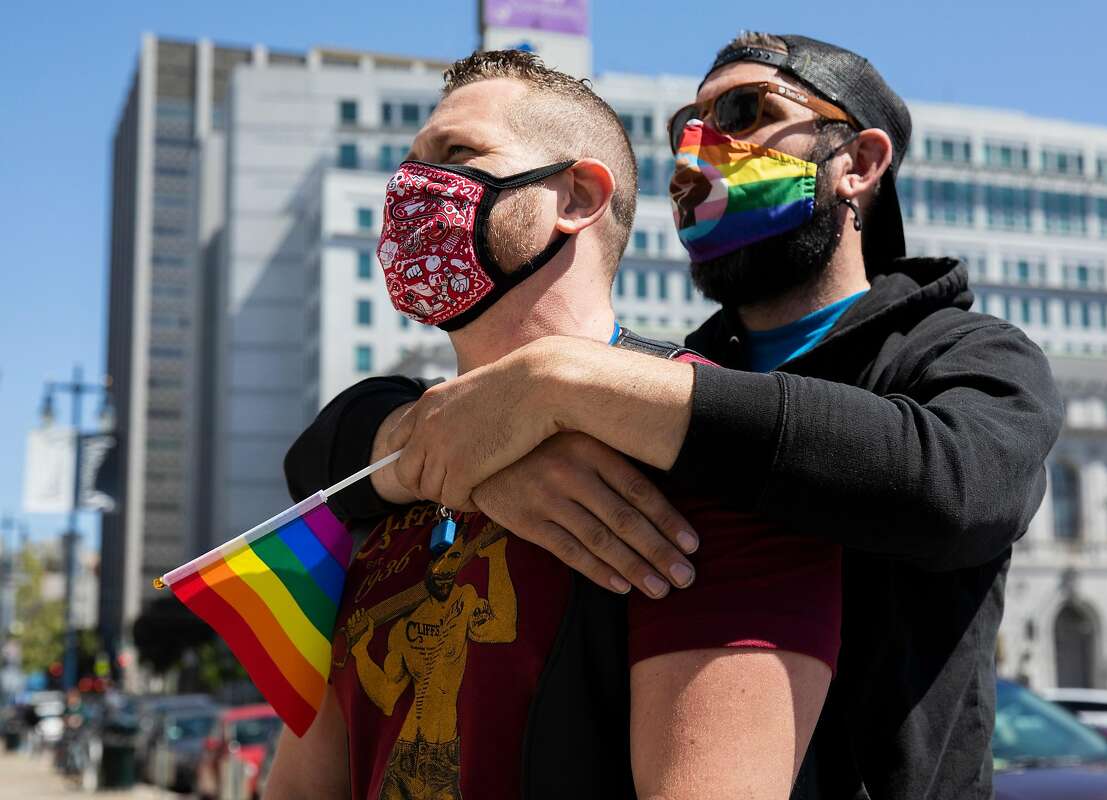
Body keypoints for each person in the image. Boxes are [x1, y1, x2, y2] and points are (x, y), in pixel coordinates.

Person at [292, 33, 1065, 799]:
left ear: (858, 164)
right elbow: (322, 463)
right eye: (680, 131)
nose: (697, 149)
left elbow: (950, 486)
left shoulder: (965, 354)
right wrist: (478, 457)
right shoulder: (654, 374)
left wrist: (558, 378)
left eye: (742, 110)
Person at [271, 49, 841, 800]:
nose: (410, 189)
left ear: (575, 196)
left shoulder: (707, 458)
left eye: (457, 156)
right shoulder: (374, 478)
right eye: (409, 163)